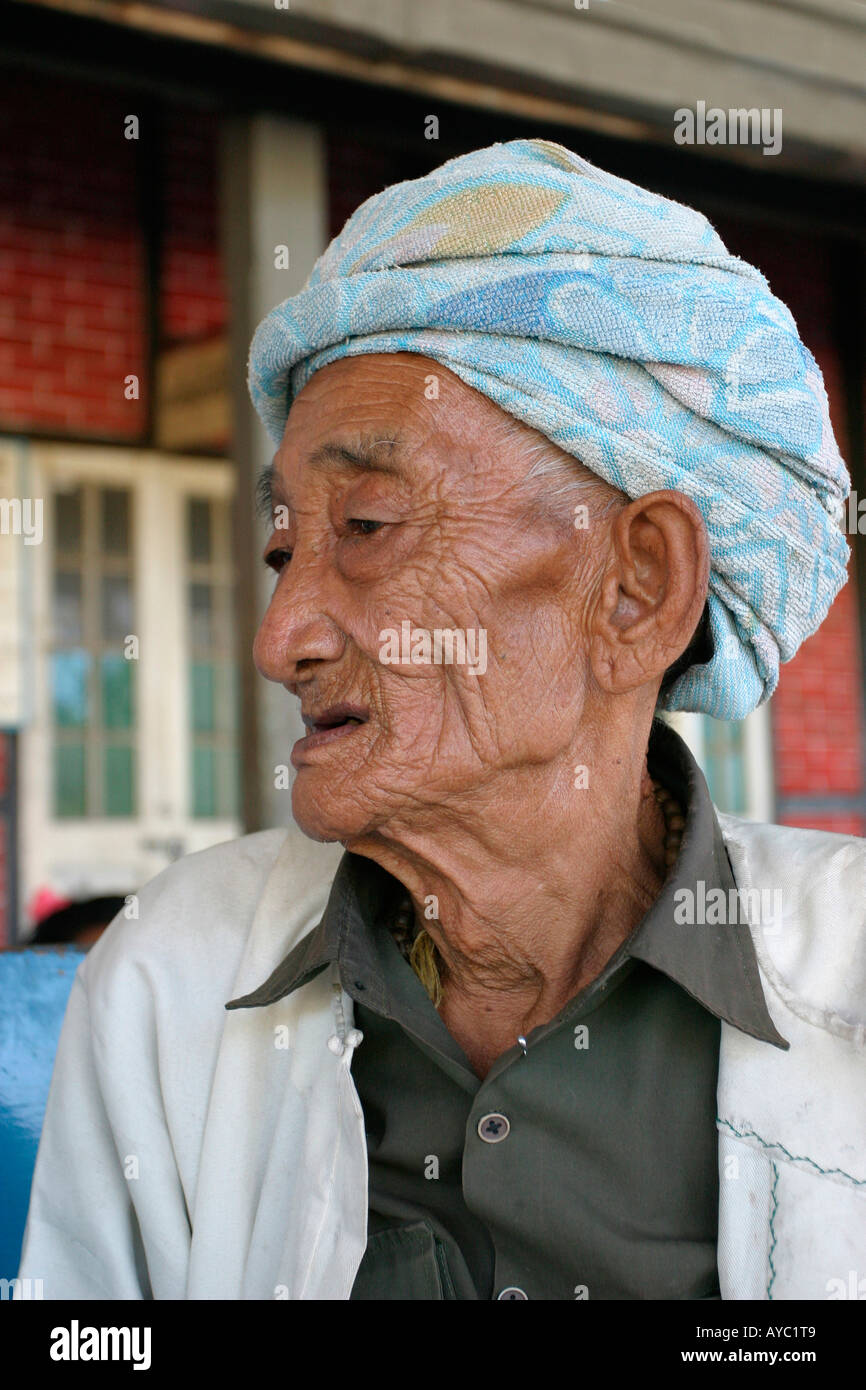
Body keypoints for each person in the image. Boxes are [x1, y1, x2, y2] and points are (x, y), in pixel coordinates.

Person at [17, 138, 865, 1300]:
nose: (282, 639)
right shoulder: (168, 977)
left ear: (636, 587)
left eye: (367, 525)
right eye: (281, 550)